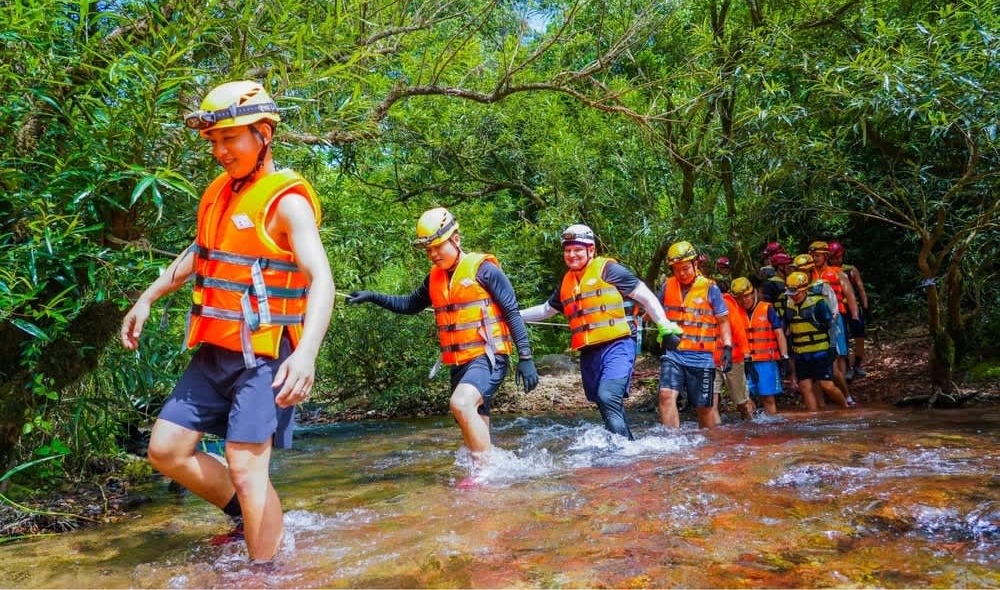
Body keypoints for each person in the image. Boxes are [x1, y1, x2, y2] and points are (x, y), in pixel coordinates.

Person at [120, 80, 335, 563]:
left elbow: (323, 280)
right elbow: (202, 252)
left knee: (246, 467)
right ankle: (251, 521)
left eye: (229, 139)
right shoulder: (218, 194)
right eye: (213, 142)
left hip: (265, 358)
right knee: (166, 449)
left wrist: (306, 354)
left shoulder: (288, 202)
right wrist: (149, 295)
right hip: (215, 352)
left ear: (263, 134)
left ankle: (265, 572)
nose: (219, 151)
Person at [346, 208, 538, 466]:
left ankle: (488, 472)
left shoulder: (485, 270)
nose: (433, 254)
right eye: (429, 250)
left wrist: (525, 355)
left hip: (488, 357)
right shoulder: (434, 278)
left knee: (461, 403)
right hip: (459, 362)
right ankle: (484, 477)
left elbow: (512, 312)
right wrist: (372, 296)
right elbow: (409, 305)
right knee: (472, 415)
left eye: (438, 247)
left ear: (456, 240)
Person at [520, 224, 677, 440]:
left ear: (590, 250)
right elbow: (546, 310)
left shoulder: (610, 270)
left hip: (619, 344)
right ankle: (629, 448)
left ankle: (622, 455)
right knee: (604, 404)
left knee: (608, 396)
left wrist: (665, 326)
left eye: (577, 249)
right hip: (589, 351)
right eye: (567, 250)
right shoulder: (567, 282)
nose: (571, 255)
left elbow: (646, 296)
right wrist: (513, 315)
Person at [658, 241, 732, 429]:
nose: (681, 273)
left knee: (704, 408)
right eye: (676, 269)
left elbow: (723, 321)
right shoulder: (667, 286)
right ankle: (672, 444)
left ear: (695, 265)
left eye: (685, 268)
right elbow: (653, 311)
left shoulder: (710, 288)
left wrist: (728, 347)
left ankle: (708, 450)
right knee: (666, 395)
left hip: (701, 357)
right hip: (673, 353)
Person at [792, 252, 854, 407]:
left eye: (804, 269)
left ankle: (847, 396)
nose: (802, 272)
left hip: (825, 334)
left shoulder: (821, 285)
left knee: (833, 371)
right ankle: (821, 407)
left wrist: (830, 339)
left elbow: (834, 311)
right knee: (813, 379)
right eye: (799, 269)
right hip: (806, 340)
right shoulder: (793, 289)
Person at [783, 271, 847, 411]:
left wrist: (832, 347)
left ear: (804, 289)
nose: (793, 296)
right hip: (801, 353)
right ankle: (814, 418)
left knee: (827, 385)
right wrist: (787, 355)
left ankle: (845, 407)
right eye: (790, 293)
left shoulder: (818, 303)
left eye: (796, 293)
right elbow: (787, 331)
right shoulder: (788, 305)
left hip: (820, 351)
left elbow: (832, 326)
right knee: (805, 386)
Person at [731, 277, 789, 416]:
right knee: (743, 400)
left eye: (746, 296)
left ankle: (771, 428)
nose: (744, 300)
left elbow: (779, 333)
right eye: (739, 298)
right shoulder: (734, 311)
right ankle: (751, 427)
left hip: (765, 361)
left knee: (768, 398)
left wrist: (784, 357)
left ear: (753, 293)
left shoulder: (766, 308)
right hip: (743, 362)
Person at [809, 242, 862, 393]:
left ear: (826, 256)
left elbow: (850, 295)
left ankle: (842, 383)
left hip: (835, 316)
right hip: (815, 319)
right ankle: (826, 384)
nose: (815, 258)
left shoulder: (838, 273)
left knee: (839, 352)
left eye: (818, 255)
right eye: (813, 256)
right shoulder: (808, 274)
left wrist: (855, 315)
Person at [712, 284, 755, 420]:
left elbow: (739, 331)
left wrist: (747, 356)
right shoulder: (701, 305)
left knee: (742, 401)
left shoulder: (727, 305)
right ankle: (716, 435)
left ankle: (751, 427)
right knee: (711, 402)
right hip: (711, 361)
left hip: (734, 359)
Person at [829, 241, 869, 378]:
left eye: (838, 257)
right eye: (833, 258)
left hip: (852, 306)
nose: (836, 260)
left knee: (859, 336)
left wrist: (865, 307)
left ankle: (857, 364)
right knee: (843, 337)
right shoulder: (828, 272)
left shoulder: (850, 269)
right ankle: (846, 367)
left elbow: (860, 288)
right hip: (838, 308)